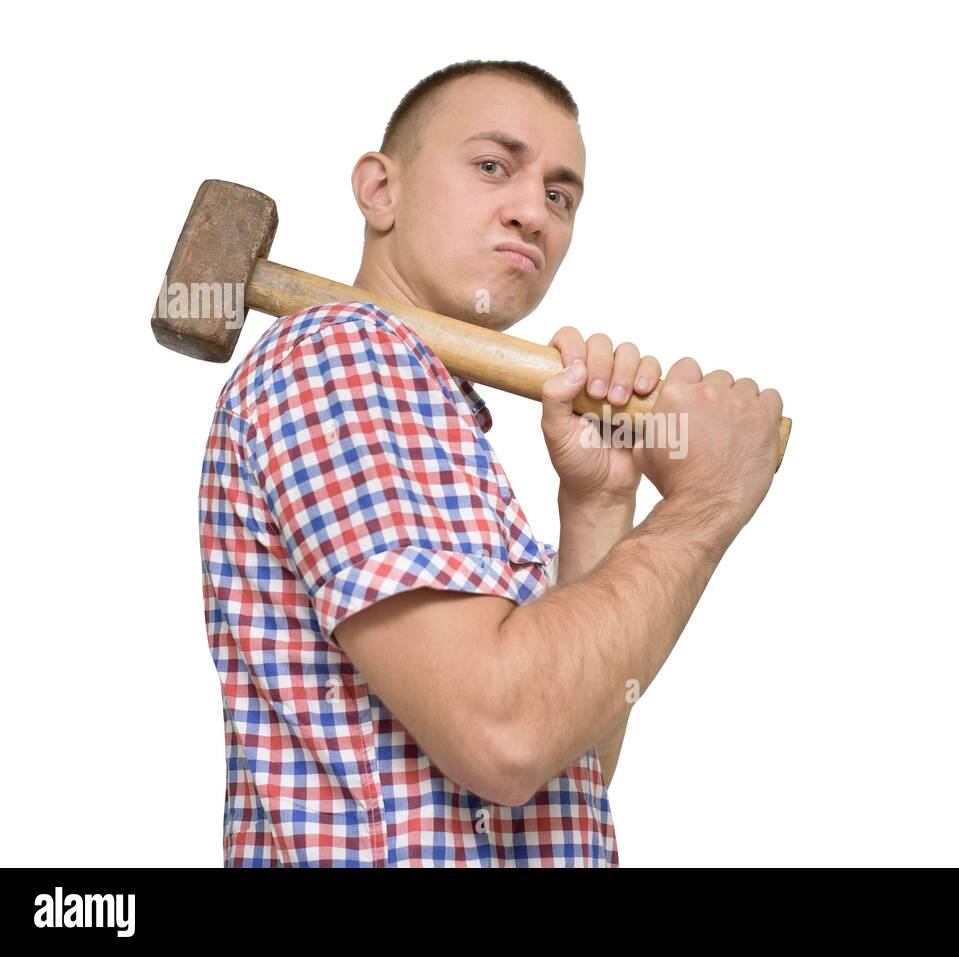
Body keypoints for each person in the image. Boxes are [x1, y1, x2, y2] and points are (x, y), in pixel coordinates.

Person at [198, 59, 783, 867]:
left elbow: (568, 762)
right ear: (380, 190)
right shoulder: (342, 354)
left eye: (559, 195)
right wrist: (708, 503)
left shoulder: (432, 410)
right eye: (493, 166)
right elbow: (506, 735)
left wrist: (598, 510)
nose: (533, 214)